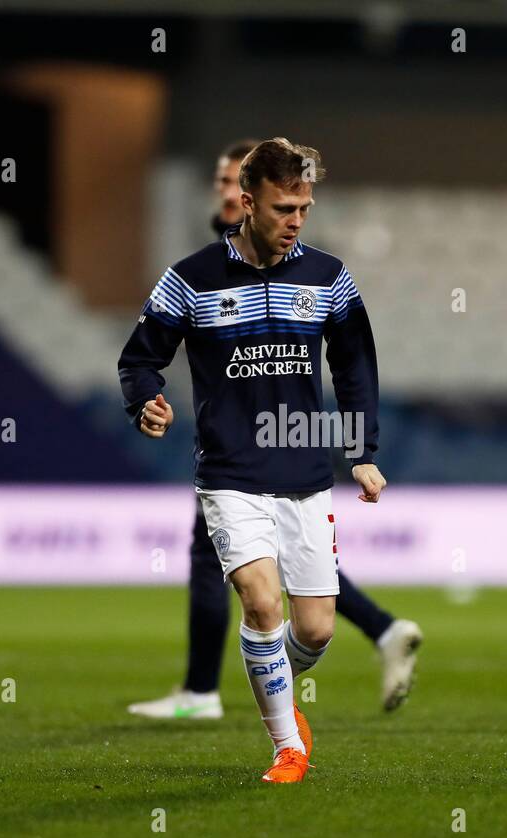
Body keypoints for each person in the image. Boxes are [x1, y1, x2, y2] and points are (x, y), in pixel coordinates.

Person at [127, 139, 421, 723]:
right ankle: (276, 731)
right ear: (247, 202)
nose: (296, 221)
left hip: (303, 470)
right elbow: (139, 359)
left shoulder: (329, 277)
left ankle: (261, 673)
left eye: (304, 208)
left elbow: (355, 365)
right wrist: (144, 400)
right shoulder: (191, 279)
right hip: (230, 470)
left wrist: (361, 451)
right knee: (259, 601)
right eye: (284, 208)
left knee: (312, 631)